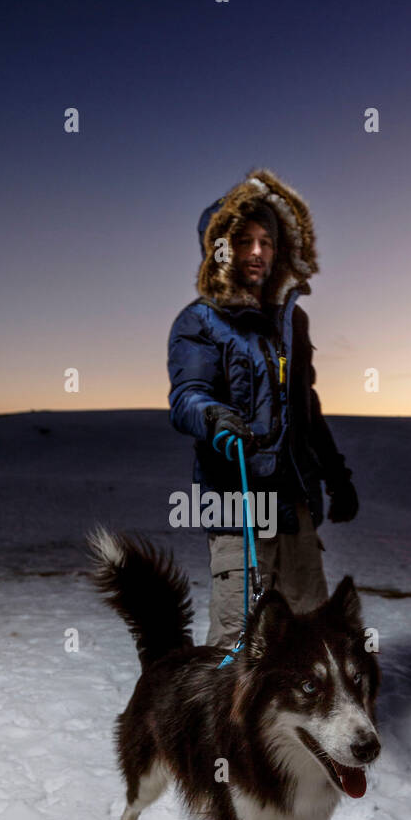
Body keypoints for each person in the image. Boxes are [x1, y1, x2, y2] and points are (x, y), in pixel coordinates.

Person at [167, 168, 359, 647]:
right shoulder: (200, 321)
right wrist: (214, 417)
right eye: (245, 240)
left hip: (293, 499)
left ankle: (295, 724)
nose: (257, 251)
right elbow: (187, 396)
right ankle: (221, 725)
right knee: (238, 638)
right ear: (222, 248)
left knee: (312, 629)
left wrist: (337, 478)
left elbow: (307, 411)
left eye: (267, 241)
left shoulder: (293, 324)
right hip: (238, 499)